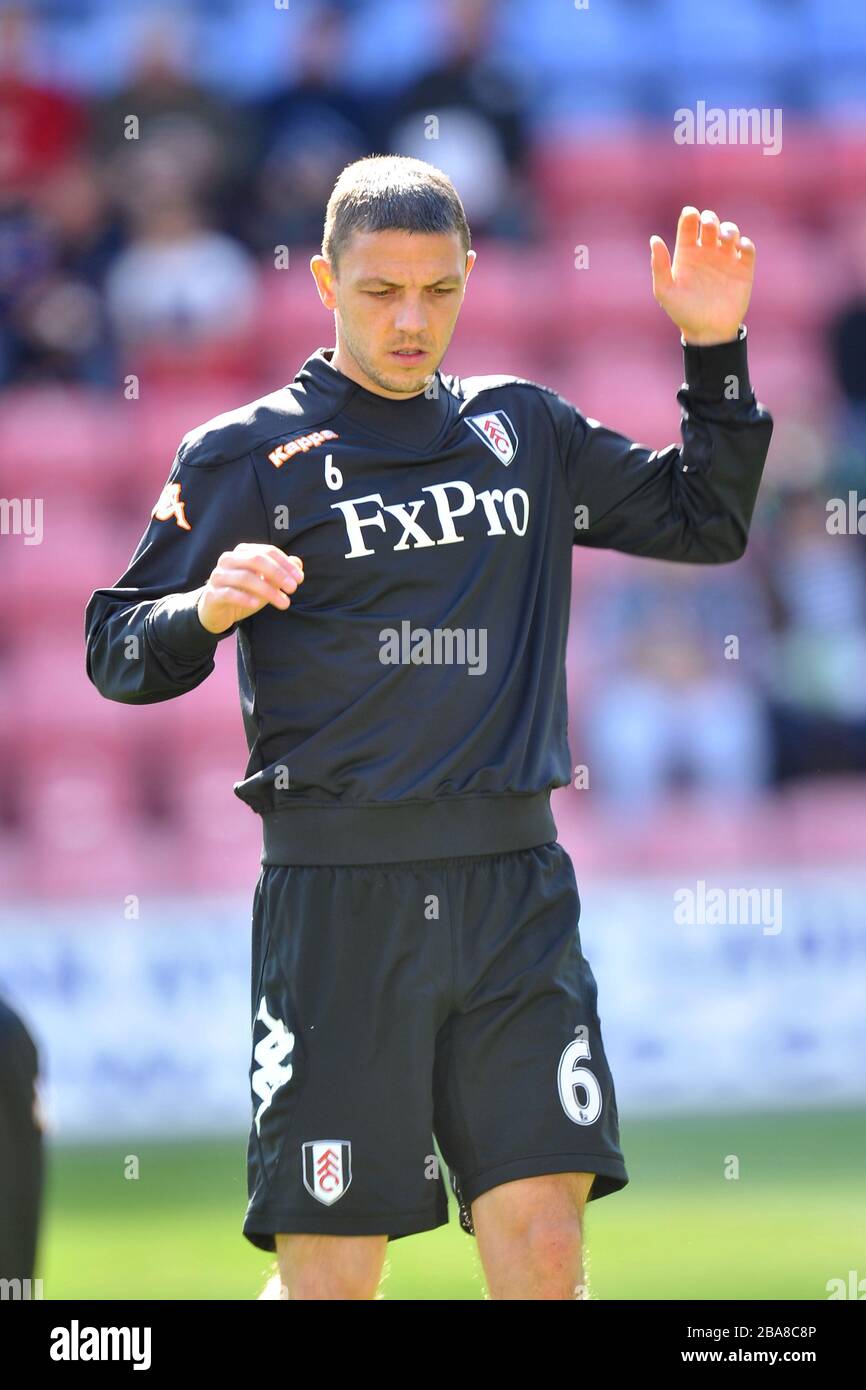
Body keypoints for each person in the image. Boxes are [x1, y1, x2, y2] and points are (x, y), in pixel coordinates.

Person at [84, 155, 772, 1300]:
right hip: (338, 903)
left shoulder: (526, 432)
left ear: (467, 279)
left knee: (546, 1249)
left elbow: (704, 522)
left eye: (438, 292)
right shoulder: (243, 454)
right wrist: (204, 609)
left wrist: (711, 350)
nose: (411, 321)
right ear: (321, 282)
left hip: (514, 893)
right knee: (335, 1279)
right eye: (379, 293)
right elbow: (115, 651)